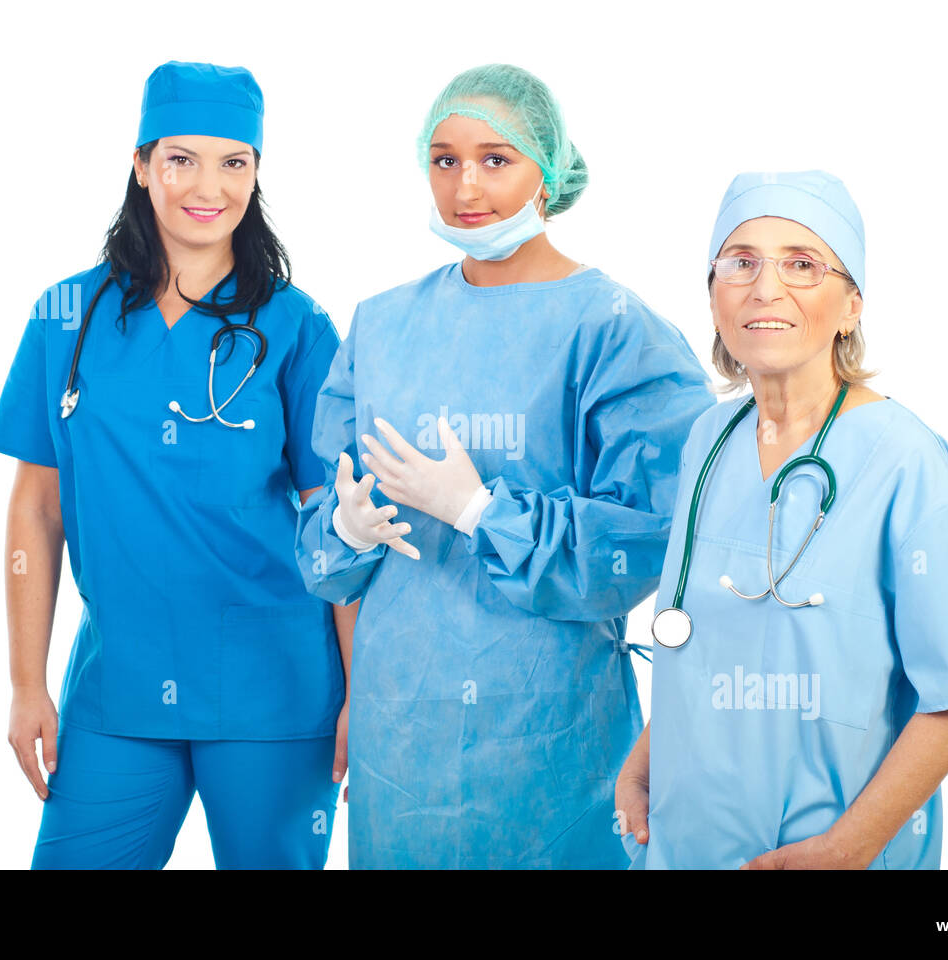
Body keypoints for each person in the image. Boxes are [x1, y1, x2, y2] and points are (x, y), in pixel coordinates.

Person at [295, 63, 715, 868]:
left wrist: (484, 515)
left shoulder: (612, 327)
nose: (466, 186)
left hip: (550, 731)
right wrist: (343, 531)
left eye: (496, 159)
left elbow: (661, 535)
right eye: (445, 159)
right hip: (400, 732)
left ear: (547, 174)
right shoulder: (381, 326)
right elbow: (324, 558)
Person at [0, 61, 347, 869]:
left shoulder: (296, 326)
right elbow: (36, 509)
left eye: (233, 162)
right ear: (142, 165)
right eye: (181, 159)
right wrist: (25, 683)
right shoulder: (66, 317)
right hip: (119, 685)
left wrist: (364, 692)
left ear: (255, 173)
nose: (208, 187)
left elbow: (339, 527)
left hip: (274, 688)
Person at [616, 170, 948, 869]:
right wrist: (643, 763)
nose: (765, 288)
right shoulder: (708, 441)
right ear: (714, 294)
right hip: (685, 842)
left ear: (851, 305)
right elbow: (708, 642)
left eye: (802, 265)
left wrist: (849, 847)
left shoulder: (904, 459)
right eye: (740, 263)